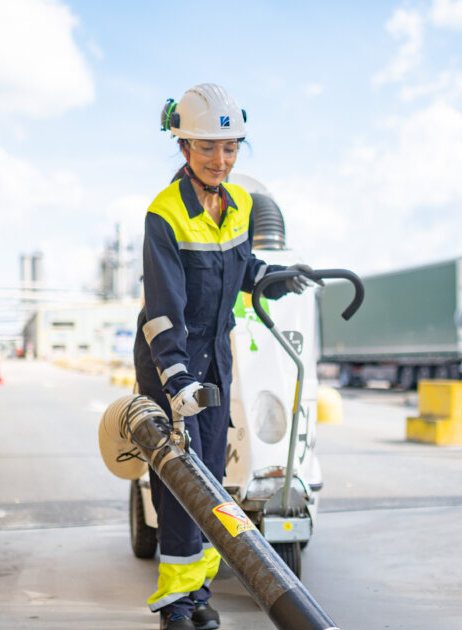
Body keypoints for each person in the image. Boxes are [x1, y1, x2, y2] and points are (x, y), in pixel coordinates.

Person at [133, 83, 315, 630]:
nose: (220, 159)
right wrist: (177, 379)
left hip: (215, 359)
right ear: (184, 146)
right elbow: (162, 310)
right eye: (208, 147)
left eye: (230, 147)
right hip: (171, 365)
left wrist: (273, 278)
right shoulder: (164, 215)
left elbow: (239, 270)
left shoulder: (239, 207)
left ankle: (199, 590)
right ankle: (174, 604)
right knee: (177, 483)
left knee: (211, 480)